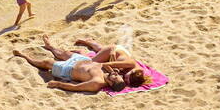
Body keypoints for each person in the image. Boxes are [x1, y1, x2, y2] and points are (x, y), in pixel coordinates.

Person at [12, 38, 146, 92]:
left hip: (69, 70)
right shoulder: (110, 70)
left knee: (46, 63)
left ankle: (24, 56)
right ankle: (50, 46)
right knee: (63, 53)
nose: (116, 74)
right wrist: (112, 68)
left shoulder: (97, 83)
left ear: (110, 84)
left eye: (116, 77)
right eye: (119, 75)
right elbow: (110, 64)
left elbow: (77, 87)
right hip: (82, 60)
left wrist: (58, 84)